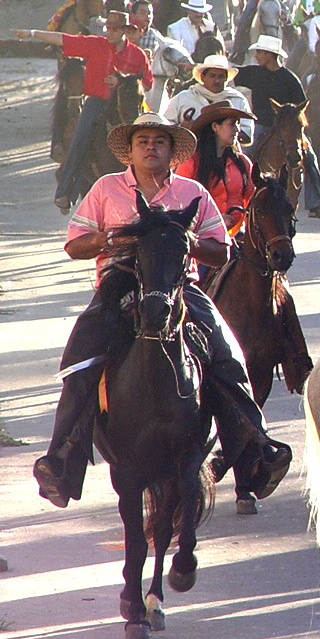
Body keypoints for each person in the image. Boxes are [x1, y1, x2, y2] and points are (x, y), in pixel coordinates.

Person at [30, 112, 291, 510]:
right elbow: (75, 245)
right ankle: (62, 459)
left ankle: (257, 446)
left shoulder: (193, 193)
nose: (151, 147)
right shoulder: (106, 189)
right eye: (143, 141)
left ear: (172, 152)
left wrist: (184, 240)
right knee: (80, 359)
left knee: (226, 351)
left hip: (178, 287)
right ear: (130, 152)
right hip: (119, 286)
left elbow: (220, 252)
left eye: (159, 141)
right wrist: (109, 237)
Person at [14, 13, 155, 212]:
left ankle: (156, 190)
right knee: (80, 138)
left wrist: (124, 81)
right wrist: (32, 33)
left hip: (128, 105)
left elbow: (148, 84)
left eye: (115, 29)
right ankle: (66, 191)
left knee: (155, 138)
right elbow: (64, 40)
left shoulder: (138, 55)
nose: (110, 33)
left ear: (124, 31)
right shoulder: (96, 45)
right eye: (108, 28)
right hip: (98, 102)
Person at [231, 33, 320, 221]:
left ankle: (317, 203)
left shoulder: (289, 78)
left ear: (270, 55)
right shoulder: (254, 72)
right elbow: (231, 74)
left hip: (289, 128)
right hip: (262, 125)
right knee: (247, 157)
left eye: (260, 52)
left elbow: (301, 106)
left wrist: (288, 116)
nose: (257, 56)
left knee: (309, 158)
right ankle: (240, 199)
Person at [176, 100, 257, 236]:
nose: (237, 129)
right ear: (215, 127)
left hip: (238, 234)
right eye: (232, 124)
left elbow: (253, 200)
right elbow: (180, 203)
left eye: (237, 123)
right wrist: (215, 221)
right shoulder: (191, 162)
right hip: (200, 237)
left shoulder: (242, 163)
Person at [165, 54, 255, 145]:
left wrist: (228, 130)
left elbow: (247, 136)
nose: (217, 81)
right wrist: (182, 129)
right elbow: (165, 128)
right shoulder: (183, 98)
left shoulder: (238, 100)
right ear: (202, 77)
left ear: (226, 79)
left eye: (221, 77)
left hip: (226, 154)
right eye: (212, 76)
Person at [130, 0, 192, 113]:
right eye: (143, 12)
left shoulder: (156, 38)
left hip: (150, 84)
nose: (148, 16)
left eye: (150, 13)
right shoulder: (124, 34)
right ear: (133, 15)